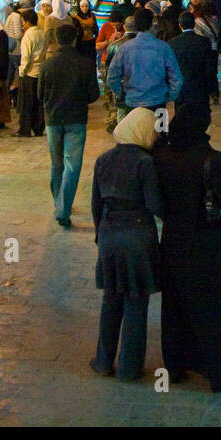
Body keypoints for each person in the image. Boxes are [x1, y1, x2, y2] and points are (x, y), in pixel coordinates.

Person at [152, 108, 221, 392]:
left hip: (174, 243)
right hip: (210, 246)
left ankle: (176, 364)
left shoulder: (161, 158)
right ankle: (218, 370)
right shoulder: (213, 160)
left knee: (176, 306)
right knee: (213, 307)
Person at [90, 108, 164, 382]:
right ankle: (130, 367)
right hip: (137, 236)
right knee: (135, 301)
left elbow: (96, 204)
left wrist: (101, 234)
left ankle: (103, 361)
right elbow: (155, 205)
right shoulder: (145, 163)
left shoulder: (103, 160)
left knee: (111, 299)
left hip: (109, 233)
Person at [40, 23, 101, 228]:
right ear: (75, 39)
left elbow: (40, 95)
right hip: (76, 119)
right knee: (72, 165)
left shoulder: (47, 65)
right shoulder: (85, 64)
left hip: (53, 119)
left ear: (57, 40)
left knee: (56, 164)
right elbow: (94, 95)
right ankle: (63, 209)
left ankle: (59, 203)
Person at [107, 8, 184, 116]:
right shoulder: (163, 47)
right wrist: (170, 97)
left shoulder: (125, 48)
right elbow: (177, 78)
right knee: (158, 132)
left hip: (132, 103)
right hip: (158, 102)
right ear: (152, 23)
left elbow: (111, 78)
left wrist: (121, 94)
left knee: (135, 132)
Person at [168, 10, 214, 117]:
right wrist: (210, 87)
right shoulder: (204, 42)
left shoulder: (172, 43)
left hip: (180, 89)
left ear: (180, 25)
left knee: (181, 118)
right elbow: (209, 68)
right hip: (199, 88)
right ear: (194, 24)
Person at [16, 9, 46, 137]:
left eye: (23, 21)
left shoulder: (28, 36)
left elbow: (26, 57)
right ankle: (38, 128)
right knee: (38, 103)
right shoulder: (41, 33)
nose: (22, 24)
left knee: (26, 103)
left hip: (29, 73)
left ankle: (25, 129)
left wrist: (22, 72)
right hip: (40, 71)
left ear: (27, 22)